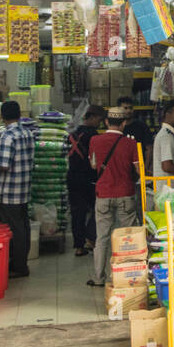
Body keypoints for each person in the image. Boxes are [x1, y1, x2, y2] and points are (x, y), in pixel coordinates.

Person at [88, 106, 139, 287]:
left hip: (104, 194)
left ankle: (99, 278)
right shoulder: (131, 144)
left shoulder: (95, 140)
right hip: (125, 194)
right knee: (128, 236)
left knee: (102, 238)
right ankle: (126, 276)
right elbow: (137, 170)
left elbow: (94, 166)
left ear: (107, 122)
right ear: (124, 123)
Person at [0, 100, 36, 278]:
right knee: (23, 227)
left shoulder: (7, 136)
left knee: (14, 229)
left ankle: (18, 267)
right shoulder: (27, 132)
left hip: (9, 192)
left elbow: (5, 166)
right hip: (23, 188)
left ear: (2, 116)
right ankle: (22, 263)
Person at [66, 104, 106, 258]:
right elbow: (95, 160)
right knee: (98, 210)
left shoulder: (72, 134)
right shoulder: (93, 136)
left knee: (77, 212)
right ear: (93, 117)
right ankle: (90, 238)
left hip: (72, 177)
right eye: (99, 120)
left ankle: (78, 246)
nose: (100, 123)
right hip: (89, 179)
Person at [117, 96, 154, 165]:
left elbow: (149, 148)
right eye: (125, 108)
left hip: (138, 168)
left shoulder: (142, 126)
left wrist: (145, 168)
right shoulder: (116, 127)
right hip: (121, 168)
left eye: (130, 108)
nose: (128, 111)